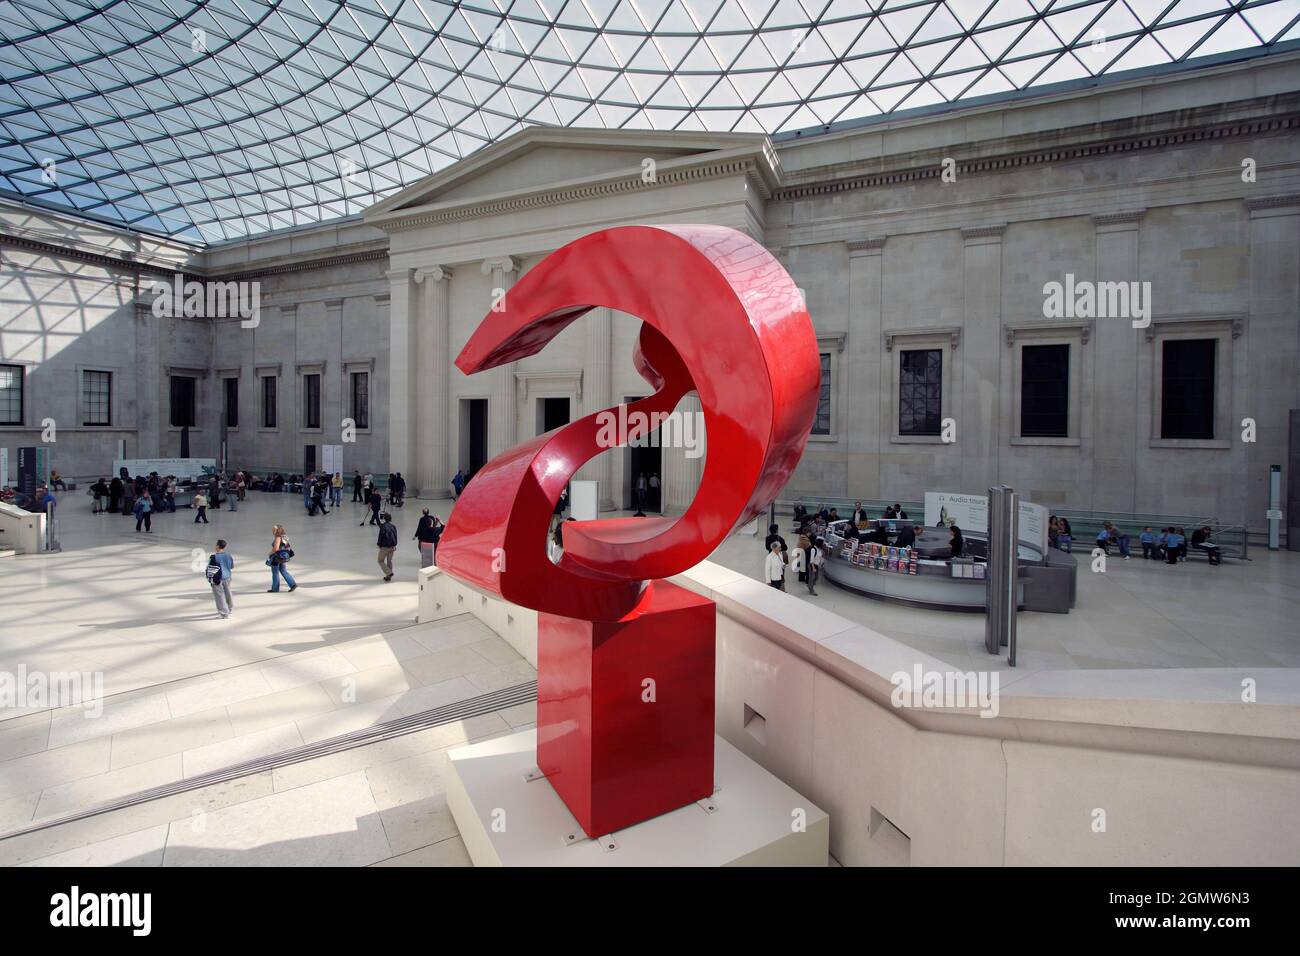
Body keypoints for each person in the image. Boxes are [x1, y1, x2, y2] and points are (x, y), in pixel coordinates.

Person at [208, 539, 235, 619]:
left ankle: (224, 613)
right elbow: (232, 566)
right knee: (228, 592)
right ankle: (230, 608)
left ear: (217, 546)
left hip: (218, 579)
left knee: (219, 596)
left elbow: (210, 570)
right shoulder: (229, 556)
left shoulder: (214, 557)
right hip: (227, 577)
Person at [266, 524, 297, 592]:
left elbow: (276, 548)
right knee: (283, 571)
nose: (272, 531)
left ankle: (275, 588)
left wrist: (270, 553)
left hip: (276, 557)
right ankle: (292, 584)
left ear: (277, 530)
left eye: (274, 530)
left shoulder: (278, 537)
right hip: (283, 557)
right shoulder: (284, 537)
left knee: (275, 572)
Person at [376, 512, 398, 582]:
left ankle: (389, 573)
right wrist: (395, 545)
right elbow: (395, 536)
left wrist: (379, 544)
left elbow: (381, 536)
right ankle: (388, 576)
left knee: (380, 560)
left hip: (385, 546)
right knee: (389, 561)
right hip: (392, 546)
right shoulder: (393, 526)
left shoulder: (383, 527)